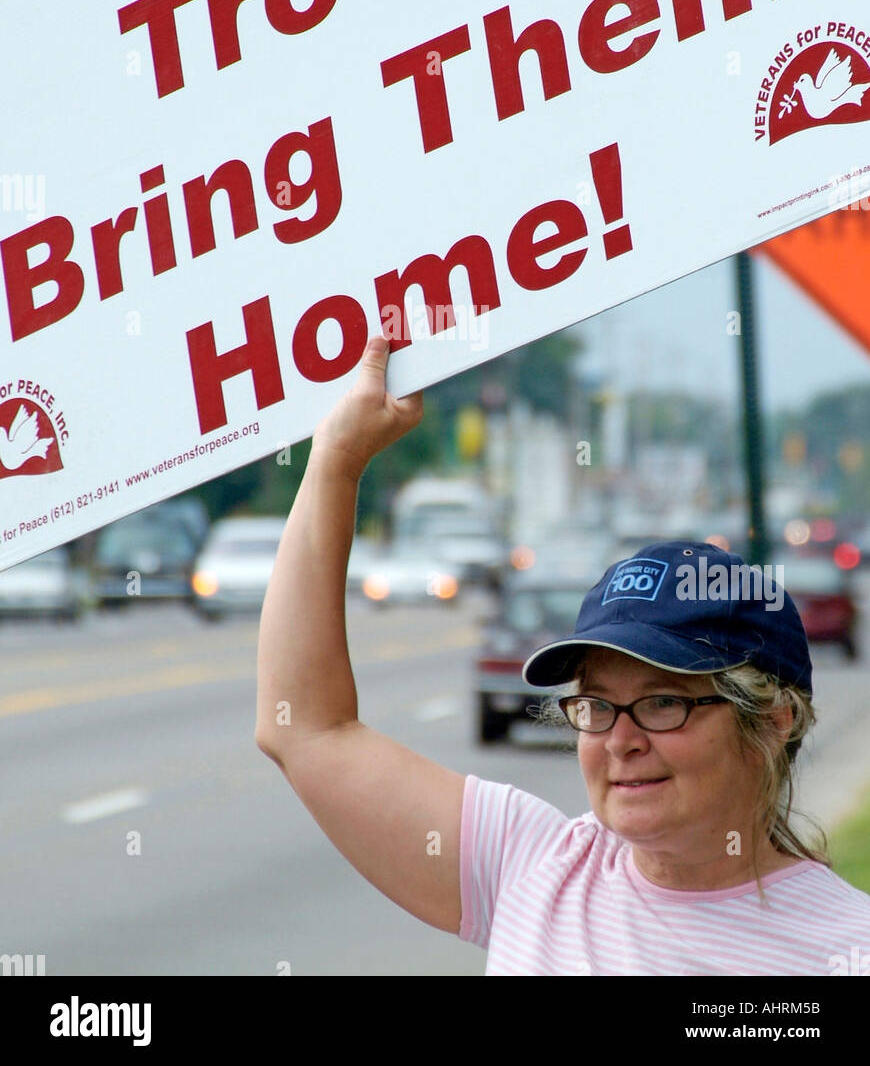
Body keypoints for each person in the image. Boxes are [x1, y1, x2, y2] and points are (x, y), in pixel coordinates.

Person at [255, 336, 870, 976]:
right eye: (596, 705)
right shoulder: (533, 866)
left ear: (772, 722)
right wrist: (336, 460)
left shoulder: (845, 949)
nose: (619, 740)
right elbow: (303, 728)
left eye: (663, 703)